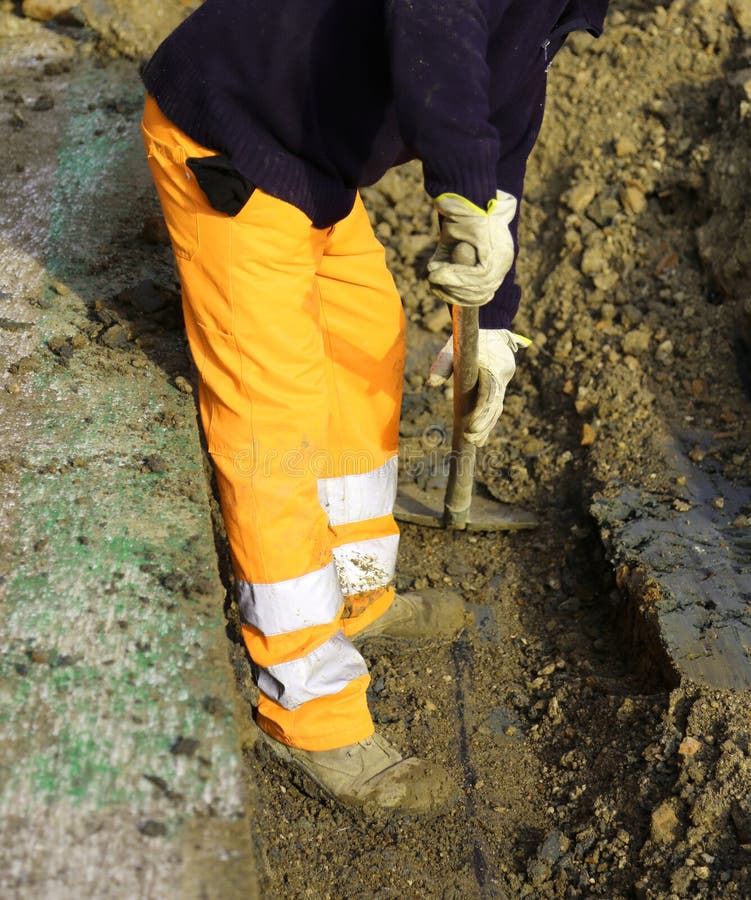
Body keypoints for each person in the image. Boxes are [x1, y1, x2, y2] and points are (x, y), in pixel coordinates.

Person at [140, 0, 609, 816]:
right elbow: (434, 23)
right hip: (234, 137)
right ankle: (308, 707)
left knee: (365, 334)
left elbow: (503, 139)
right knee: (272, 420)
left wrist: (494, 322)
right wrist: (461, 187)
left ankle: (355, 590)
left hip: (310, 160)